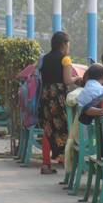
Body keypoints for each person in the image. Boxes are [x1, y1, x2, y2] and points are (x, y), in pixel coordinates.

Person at [38, 30, 74, 175]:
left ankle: (46, 164)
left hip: (45, 95)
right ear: (64, 44)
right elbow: (67, 81)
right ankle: (66, 160)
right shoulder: (65, 59)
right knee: (65, 126)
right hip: (58, 97)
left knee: (48, 129)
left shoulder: (44, 58)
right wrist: (76, 80)